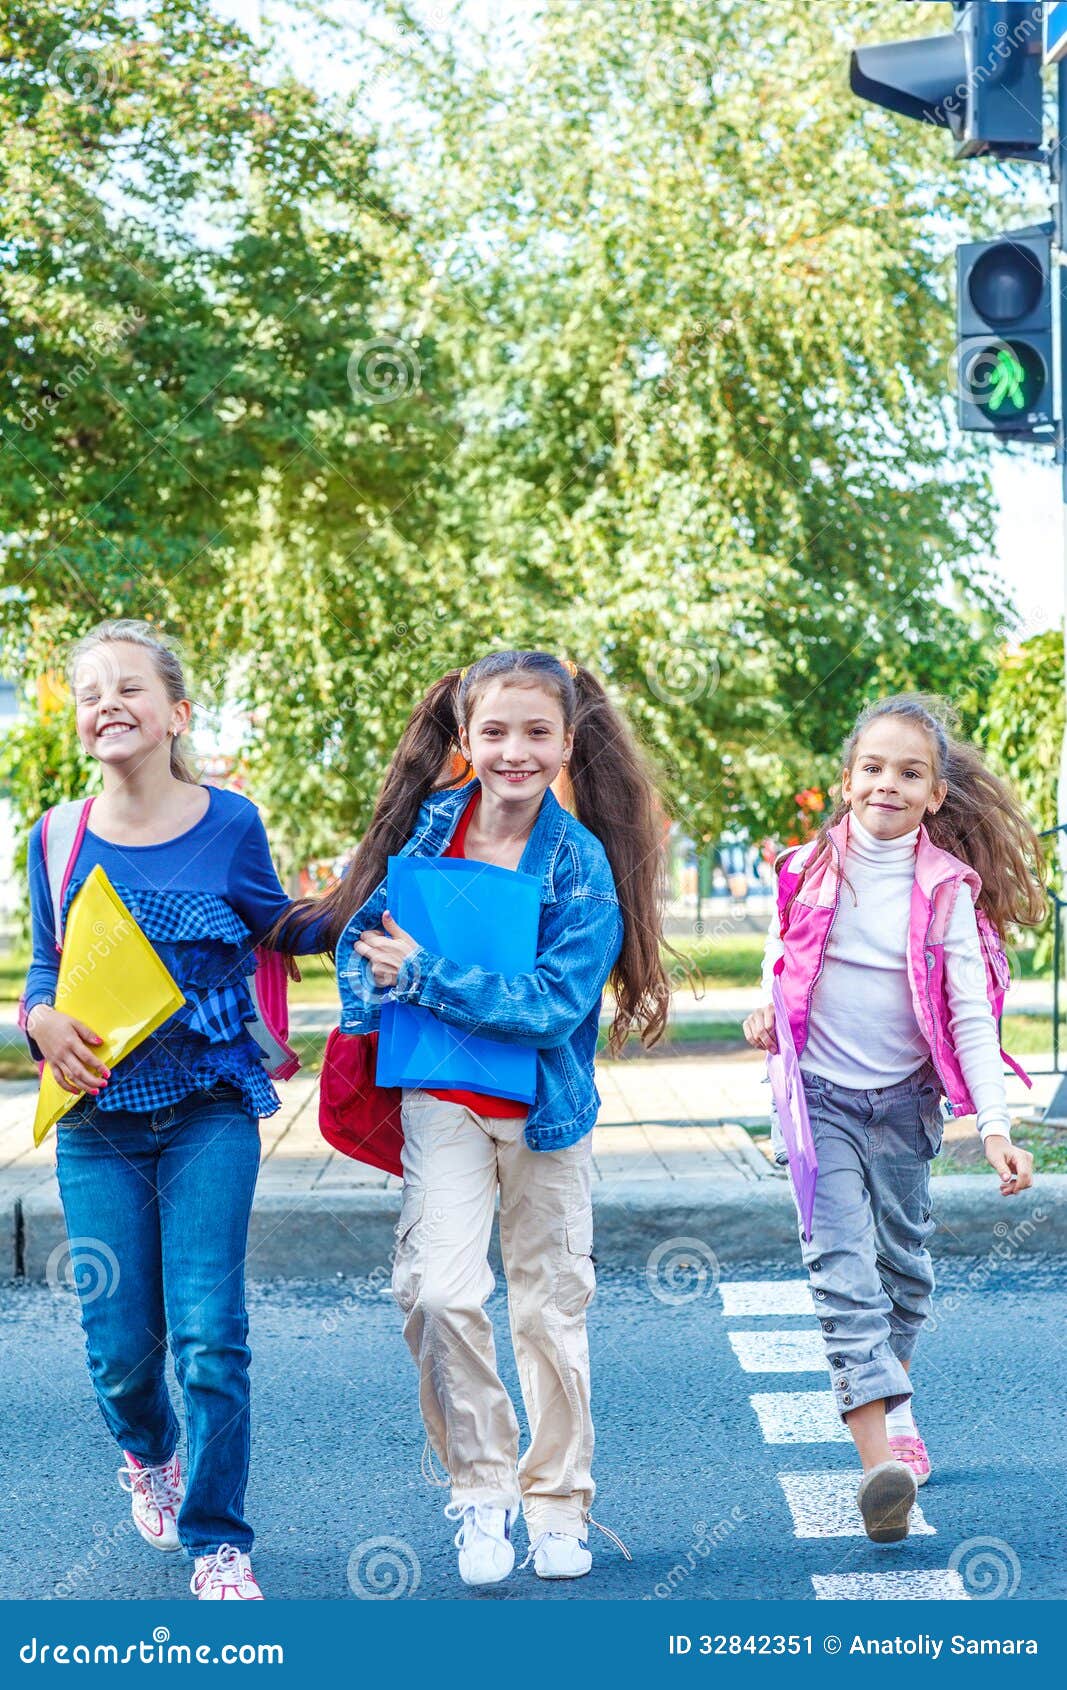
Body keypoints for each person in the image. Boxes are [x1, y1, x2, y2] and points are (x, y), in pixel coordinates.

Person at [280, 651, 671, 1586]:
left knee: (549, 1312)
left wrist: (423, 977)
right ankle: (482, 1489)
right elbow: (362, 936)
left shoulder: (580, 863)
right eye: (494, 731)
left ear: (567, 744)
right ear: (465, 739)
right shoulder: (425, 830)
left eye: (537, 733)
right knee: (436, 1293)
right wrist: (373, 1014)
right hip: (439, 1097)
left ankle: (557, 1503)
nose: (514, 751)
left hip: (545, 1111)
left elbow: (552, 1006)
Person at [24, 618, 321, 1599]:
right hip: (96, 1122)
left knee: (208, 1336)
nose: (106, 704)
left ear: (177, 714)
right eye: (90, 693)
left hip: (208, 1107)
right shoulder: (55, 836)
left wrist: (368, 895)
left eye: (129, 688)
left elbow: (280, 923)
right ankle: (149, 1454)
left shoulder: (230, 823)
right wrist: (39, 1020)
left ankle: (218, 1541)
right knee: (119, 1348)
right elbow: (43, 971)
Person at [743, 694, 1044, 1544]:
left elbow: (969, 1014)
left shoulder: (946, 891)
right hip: (819, 1103)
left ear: (934, 795)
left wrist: (994, 1127)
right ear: (846, 781)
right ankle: (878, 1466)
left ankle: (895, 1393)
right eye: (872, 768)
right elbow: (780, 958)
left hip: (905, 1104)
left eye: (909, 772)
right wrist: (764, 1012)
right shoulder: (805, 868)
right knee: (842, 1273)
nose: (888, 783)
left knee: (903, 1275)